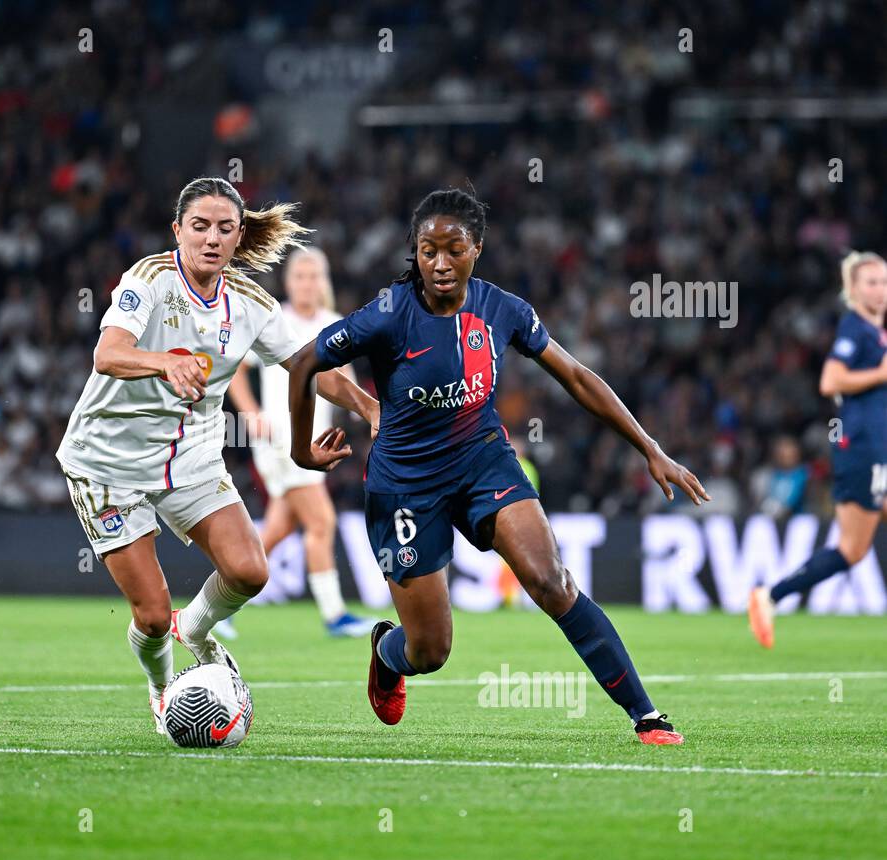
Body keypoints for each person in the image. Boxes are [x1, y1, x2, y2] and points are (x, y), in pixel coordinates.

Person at [286, 187, 708, 745]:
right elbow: (304, 364)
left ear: (476, 249)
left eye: (453, 249)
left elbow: (577, 377)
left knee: (551, 580)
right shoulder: (388, 314)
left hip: (483, 463)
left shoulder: (503, 309)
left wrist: (650, 447)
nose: (439, 263)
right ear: (413, 251)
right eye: (427, 250)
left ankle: (646, 716)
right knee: (430, 651)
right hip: (405, 486)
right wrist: (301, 448)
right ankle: (387, 653)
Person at [56, 177, 379, 732]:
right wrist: (164, 362)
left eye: (225, 229)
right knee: (153, 616)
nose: (211, 238)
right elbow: (108, 354)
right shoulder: (149, 280)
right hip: (106, 460)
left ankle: (198, 630)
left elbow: (307, 369)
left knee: (250, 571)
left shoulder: (252, 305)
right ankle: (163, 693)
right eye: (199, 226)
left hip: (190, 458)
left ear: (238, 238)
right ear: (177, 230)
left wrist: (372, 410)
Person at [223, 246, 375, 638]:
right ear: (289, 283)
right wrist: (250, 413)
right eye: (300, 276)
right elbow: (237, 369)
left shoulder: (334, 322)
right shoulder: (276, 321)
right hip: (281, 440)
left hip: (314, 442)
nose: (307, 284)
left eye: (313, 276)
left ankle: (219, 600)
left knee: (278, 529)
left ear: (322, 282)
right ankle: (334, 614)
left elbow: (348, 384)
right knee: (321, 520)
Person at [749, 252, 887, 647]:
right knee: (852, 549)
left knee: (853, 548)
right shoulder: (855, 328)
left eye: (884, 282)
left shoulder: (875, 334)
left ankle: (769, 597)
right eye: (871, 283)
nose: (880, 290)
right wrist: (880, 373)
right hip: (864, 449)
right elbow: (831, 380)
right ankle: (770, 596)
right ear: (853, 290)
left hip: (872, 446)